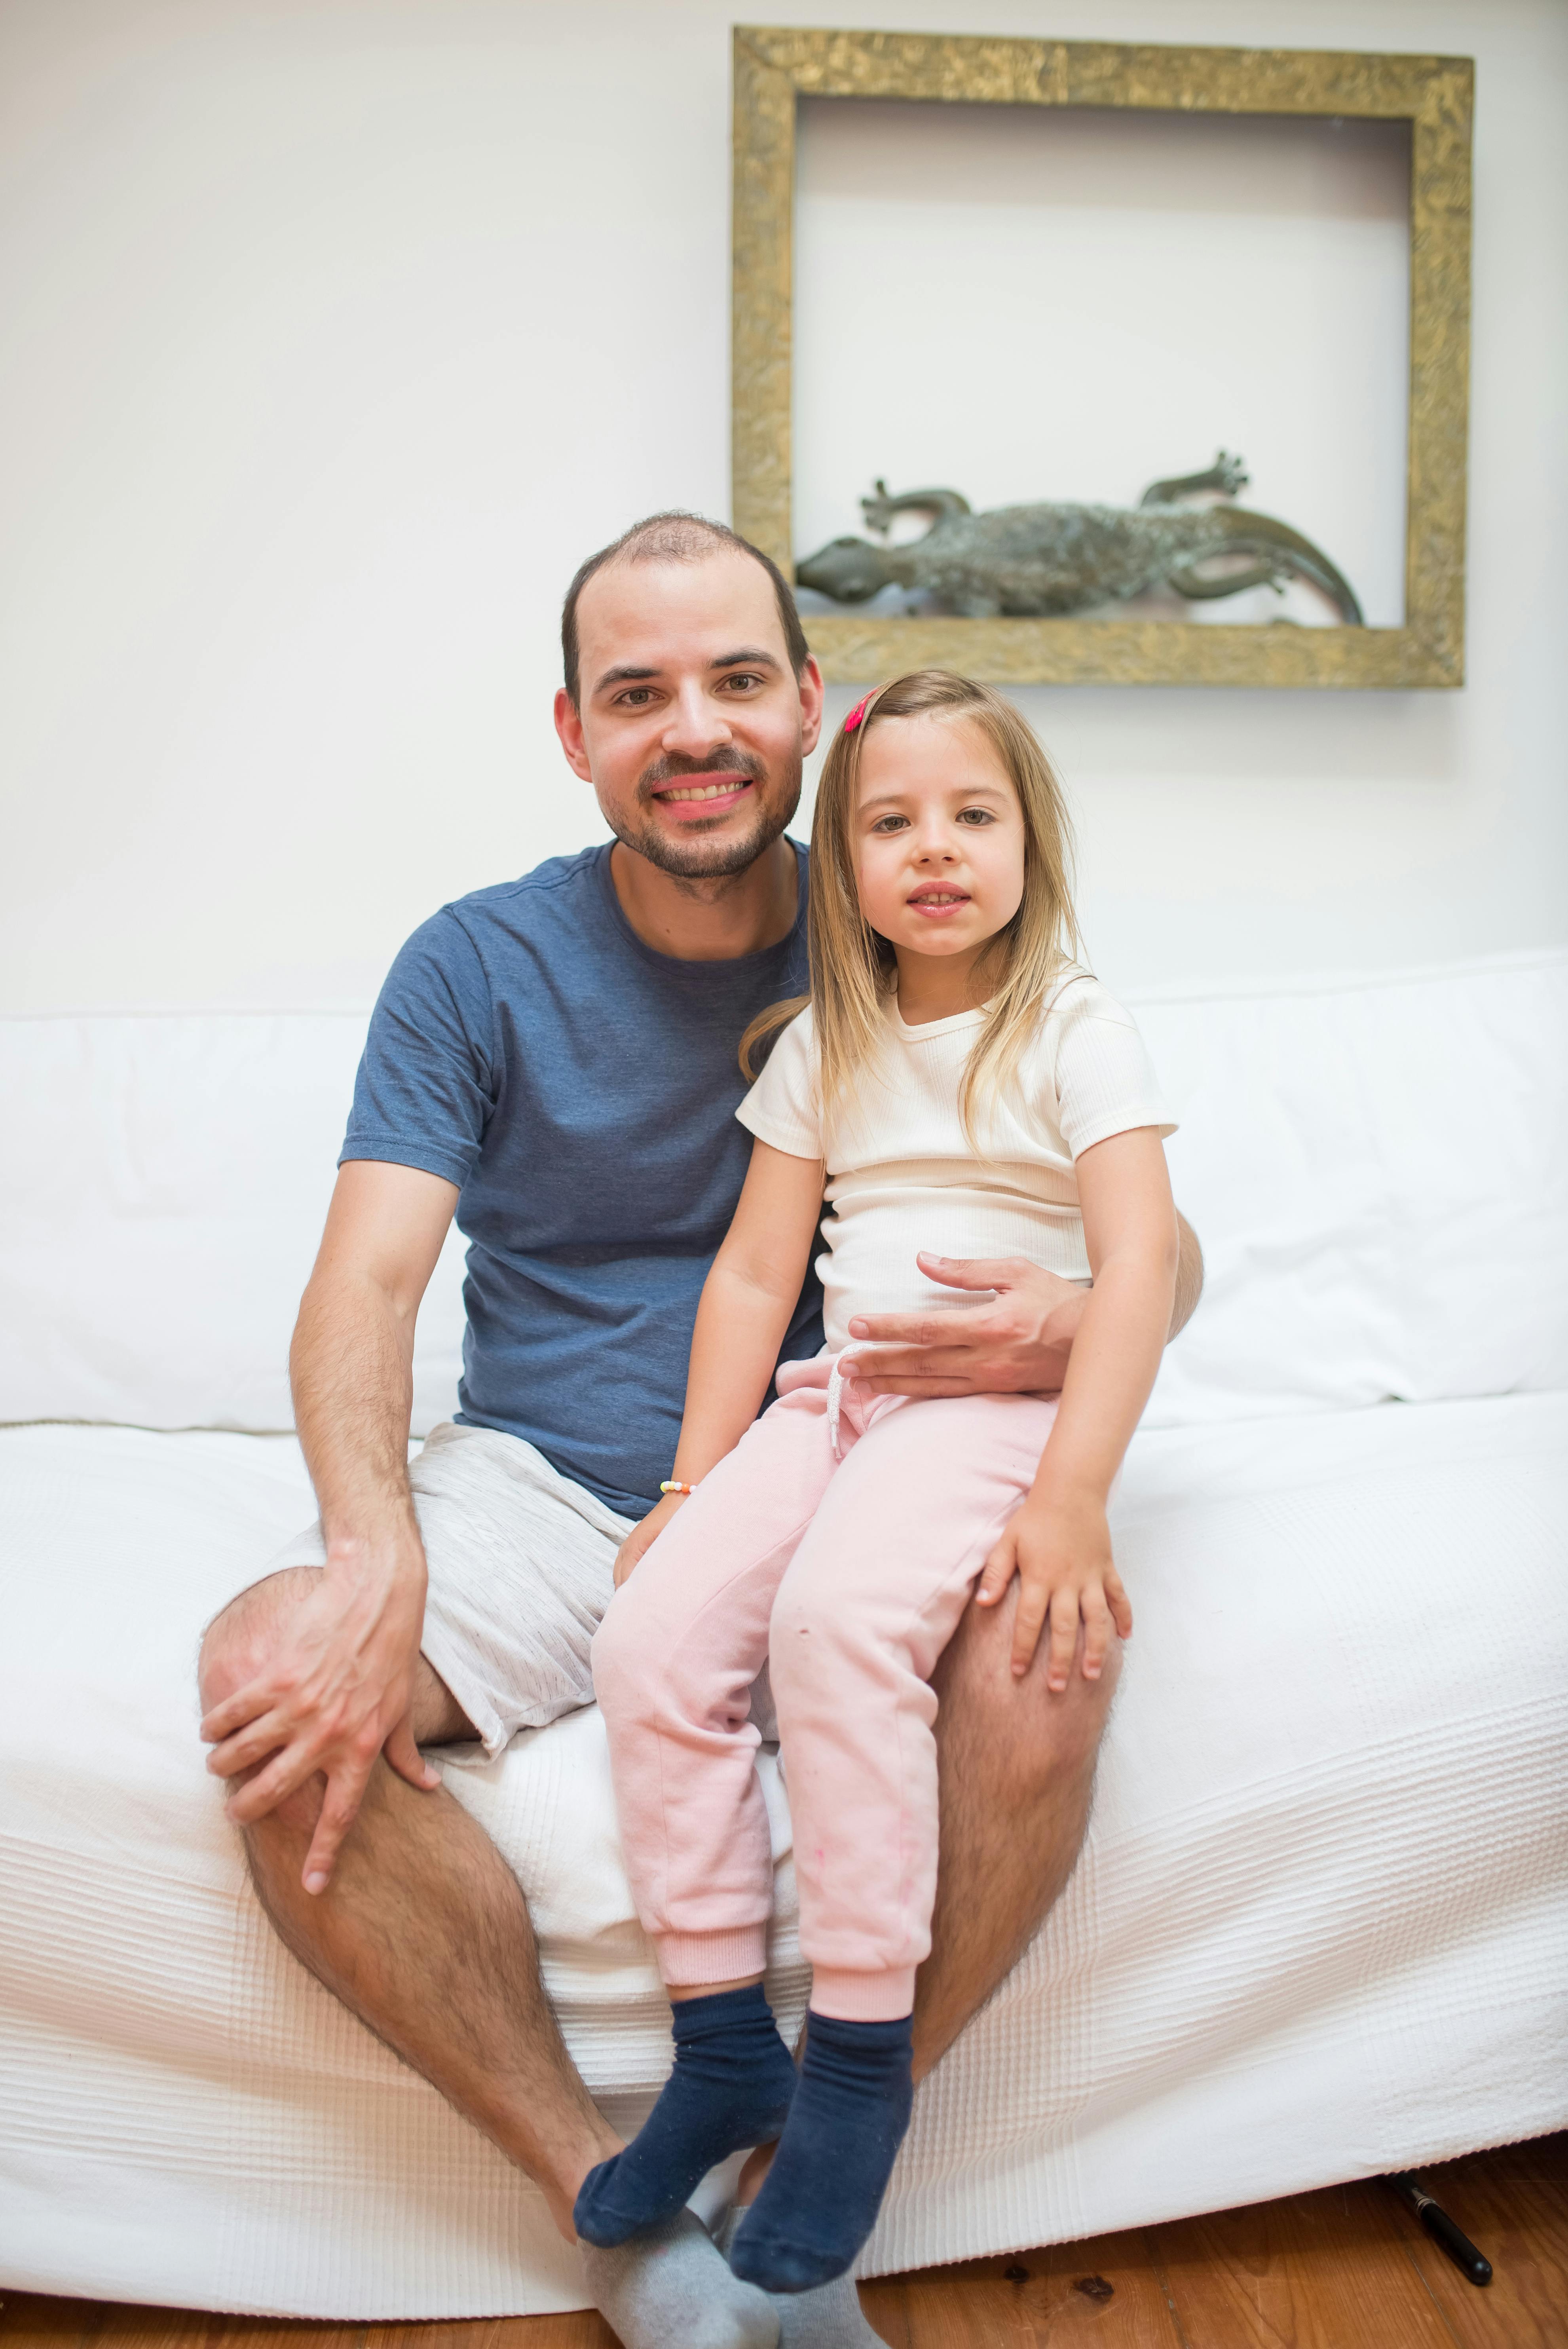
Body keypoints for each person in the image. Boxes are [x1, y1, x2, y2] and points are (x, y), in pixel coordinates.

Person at [196, 518, 1204, 2349]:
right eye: (638, 691)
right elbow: (364, 1287)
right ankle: (615, 2201)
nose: (696, 726)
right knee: (272, 1685)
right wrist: (373, 1549)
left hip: (864, 1464)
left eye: (738, 678)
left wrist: (1060, 1337)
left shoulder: (899, 896)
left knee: (1049, 1670)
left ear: (807, 702)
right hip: (554, 1482)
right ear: (573, 732)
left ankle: (816, 2146)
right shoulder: (474, 962)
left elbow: (1148, 1242)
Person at [578, 670, 1178, 2296]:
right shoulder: (824, 1039)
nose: (933, 849)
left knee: (838, 1624)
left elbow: (1136, 1268)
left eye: (970, 814)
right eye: (889, 821)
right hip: (834, 1397)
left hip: (987, 1411)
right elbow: (754, 1265)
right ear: (838, 866)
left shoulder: (1071, 1022)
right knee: (644, 1641)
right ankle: (719, 2042)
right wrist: (694, 1482)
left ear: (1027, 844)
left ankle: (851, 2057)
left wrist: (1069, 1492)